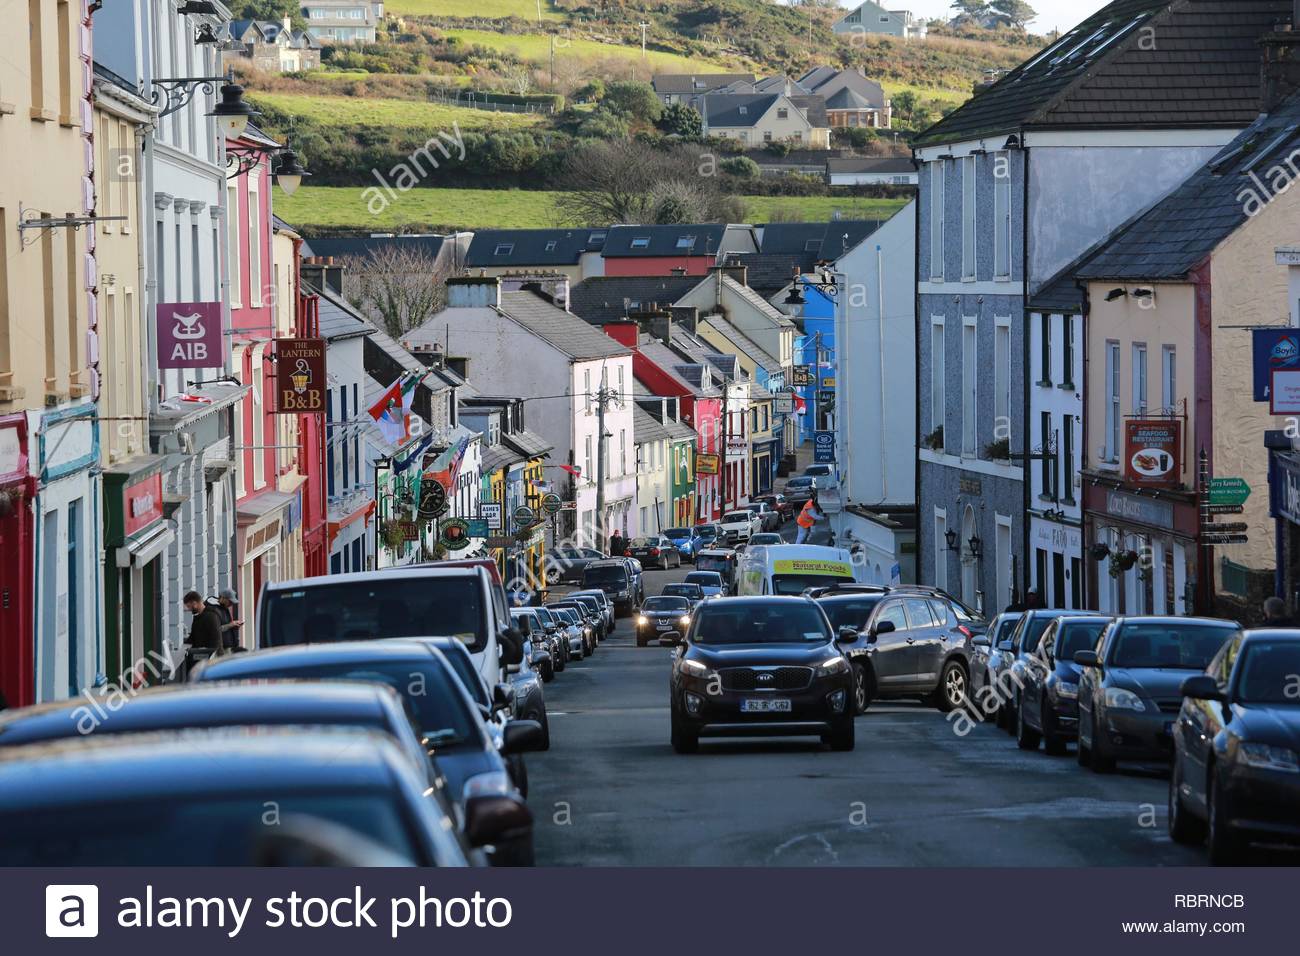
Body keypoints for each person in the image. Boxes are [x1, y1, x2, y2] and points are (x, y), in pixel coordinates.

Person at [183, 590, 224, 678]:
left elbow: (216, 641)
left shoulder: (211, 617)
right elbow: (193, 637)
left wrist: (209, 658)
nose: (189, 609)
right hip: (203, 660)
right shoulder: (198, 617)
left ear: (195, 603)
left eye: (189, 606)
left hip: (210, 662)